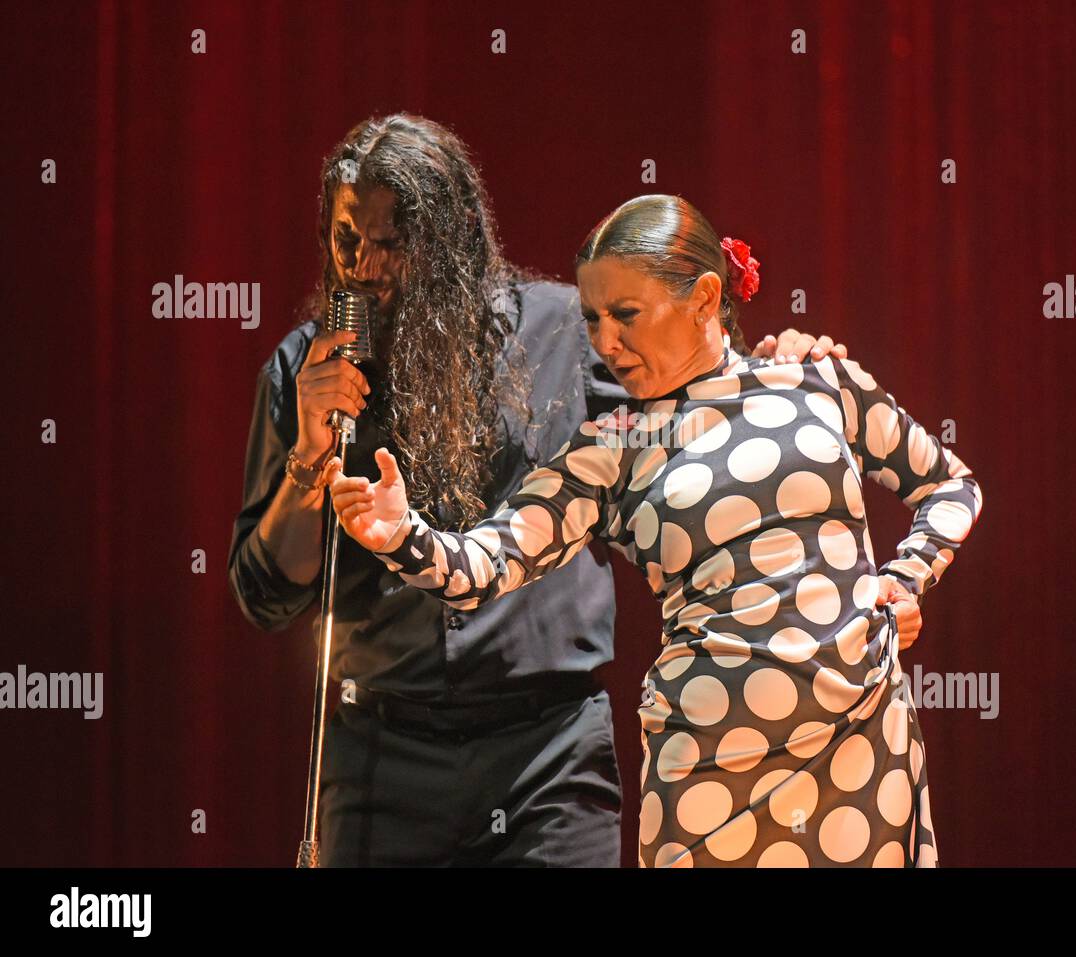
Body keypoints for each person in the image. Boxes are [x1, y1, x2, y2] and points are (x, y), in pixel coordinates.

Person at [227, 115, 846, 866]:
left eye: (391, 243)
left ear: (449, 240)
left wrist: (776, 367)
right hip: (379, 756)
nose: (363, 266)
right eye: (346, 238)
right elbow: (267, 595)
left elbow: (706, 428)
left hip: (545, 757)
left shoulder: (562, 335)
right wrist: (307, 459)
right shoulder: (305, 372)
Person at [324, 193, 983, 867]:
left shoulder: (817, 382)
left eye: (626, 314)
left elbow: (951, 484)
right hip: (709, 776)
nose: (605, 341)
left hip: (858, 746)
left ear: (703, 298)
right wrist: (402, 534)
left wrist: (904, 580)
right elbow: (489, 562)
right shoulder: (614, 445)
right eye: (592, 319)